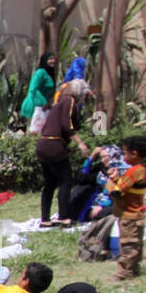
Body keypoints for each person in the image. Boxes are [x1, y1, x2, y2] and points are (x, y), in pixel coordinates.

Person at [35, 79, 91, 227]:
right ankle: (63, 217)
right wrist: (80, 144)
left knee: (50, 183)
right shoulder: (69, 101)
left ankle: (45, 219)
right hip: (54, 145)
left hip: (43, 145)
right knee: (65, 181)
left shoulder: (59, 101)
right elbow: (67, 126)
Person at [105, 134, 146, 282]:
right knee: (133, 244)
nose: (123, 156)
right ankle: (132, 269)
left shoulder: (134, 171)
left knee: (129, 245)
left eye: (124, 152)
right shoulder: (140, 170)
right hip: (133, 216)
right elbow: (126, 186)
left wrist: (109, 182)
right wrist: (116, 178)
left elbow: (117, 192)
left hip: (130, 215)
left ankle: (126, 271)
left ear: (134, 154)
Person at [21, 52, 57, 132]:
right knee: (33, 130)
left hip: (43, 106)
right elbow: (33, 89)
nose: (53, 61)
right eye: (50, 59)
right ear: (44, 60)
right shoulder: (40, 72)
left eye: (54, 59)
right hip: (34, 104)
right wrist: (43, 102)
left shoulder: (49, 73)